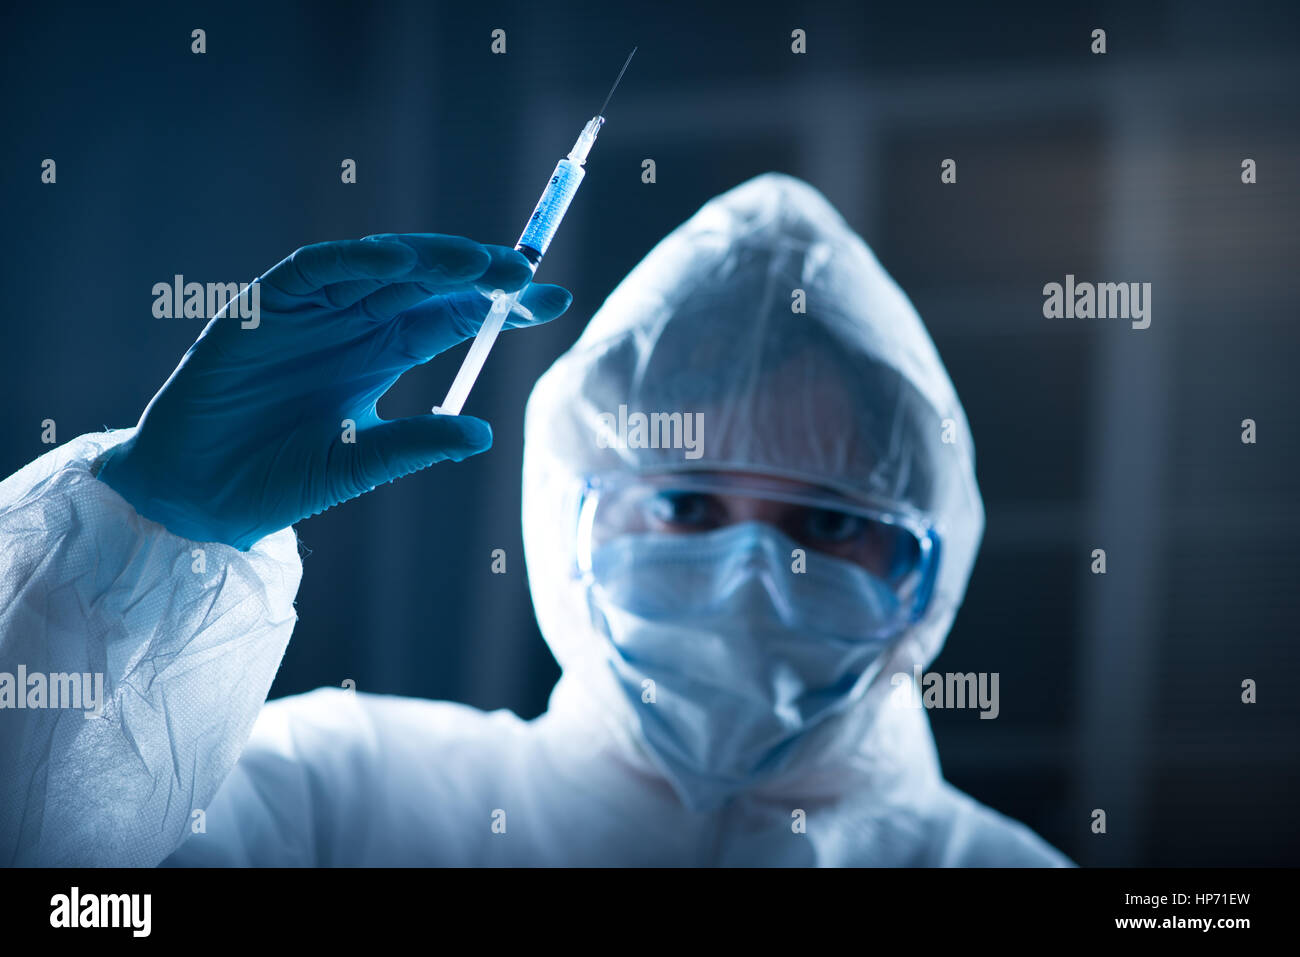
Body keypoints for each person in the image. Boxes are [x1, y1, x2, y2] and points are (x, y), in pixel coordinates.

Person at [0, 173, 1070, 866]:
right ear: (573, 528)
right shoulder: (336, 794)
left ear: (928, 570)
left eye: (827, 527)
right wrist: (132, 549)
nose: (750, 570)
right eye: (689, 502)